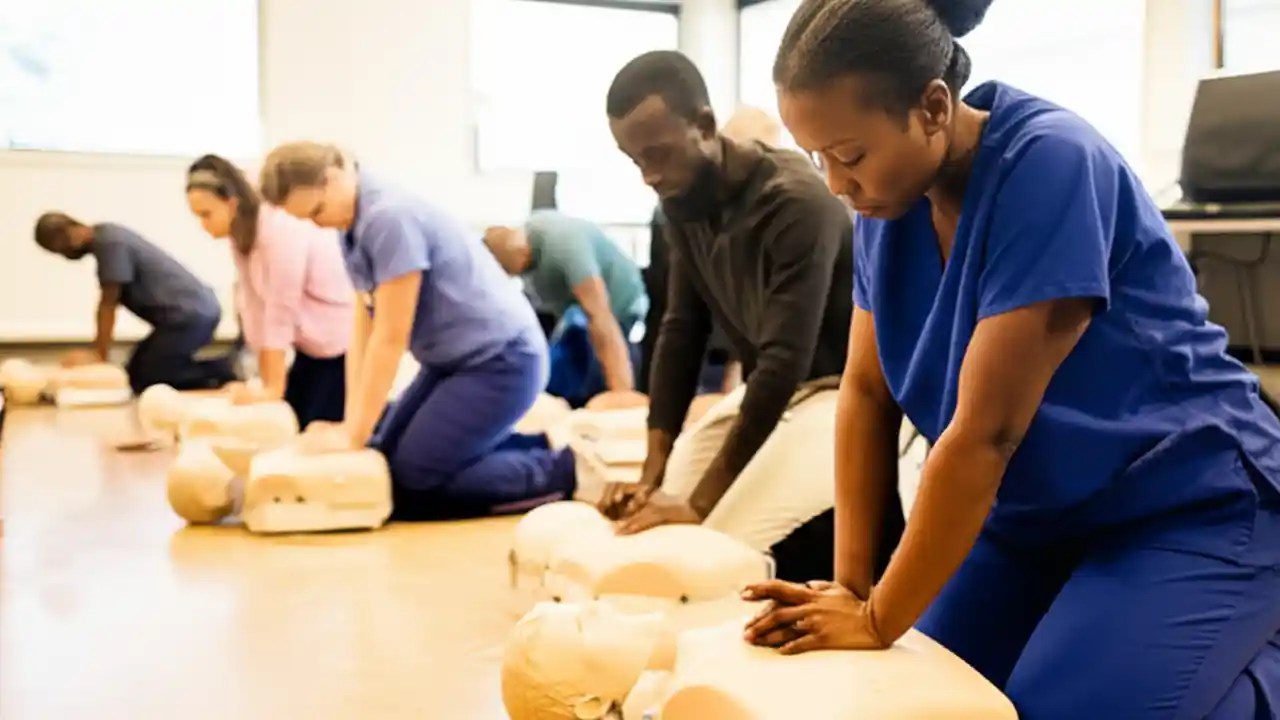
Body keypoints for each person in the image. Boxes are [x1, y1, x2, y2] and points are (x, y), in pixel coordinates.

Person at [741, 1, 1280, 718]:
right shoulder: (888, 203)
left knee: (1063, 709)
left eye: (848, 155)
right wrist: (852, 589)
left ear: (933, 108)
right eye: (819, 159)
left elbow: (985, 434)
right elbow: (867, 395)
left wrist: (877, 621)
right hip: (1034, 518)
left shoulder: (1050, 163)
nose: (836, 185)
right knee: (919, 696)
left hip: (1186, 502)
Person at [600, 51, 885, 583]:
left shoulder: (797, 202)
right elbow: (680, 332)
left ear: (705, 126)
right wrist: (650, 475)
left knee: (717, 540)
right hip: (777, 397)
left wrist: (702, 505)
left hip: (843, 394)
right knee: (661, 513)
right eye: (635, 161)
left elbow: (784, 360)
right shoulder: (682, 204)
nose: (650, 176)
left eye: (658, 155)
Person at [257, 143, 575, 519]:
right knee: (381, 455)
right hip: (451, 363)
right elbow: (362, 326)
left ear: (335, 178)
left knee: (414, 482)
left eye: (317, 211)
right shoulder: (350, 225)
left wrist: (352, 435)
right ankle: (526, 444)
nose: (317, 224)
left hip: (502, 361)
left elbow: (389, 337)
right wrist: (352, 426)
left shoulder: (389, 218)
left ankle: (563, 470)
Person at [185, 154, 353, 428]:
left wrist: (273, 389)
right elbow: (252, 306)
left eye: (206, 214)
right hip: (310, 347)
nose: (203, 225)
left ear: (232, 203)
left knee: (310, 425)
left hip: (340, 344)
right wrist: (263, 385)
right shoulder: (240, 232)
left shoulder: (280, 228)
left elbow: (280, 309)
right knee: (289, 418)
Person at [33, 213, 233, 394]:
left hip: (189, 317)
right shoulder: (107, 235)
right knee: (136, 374)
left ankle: (228, 368)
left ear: (70, 230)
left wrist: (98, 355)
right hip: (186, 316)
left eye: (61, 247)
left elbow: (108, 303)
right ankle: (219, 369)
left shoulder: (109, 243)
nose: (66, 254)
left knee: (147, 379)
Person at [484, 210, 648, 407]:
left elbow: (601, 316)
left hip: (617, 307)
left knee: (582, 340)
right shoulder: (526, 246)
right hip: (572, 312)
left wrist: (621, 393)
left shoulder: (565, 246)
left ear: (522, 254)